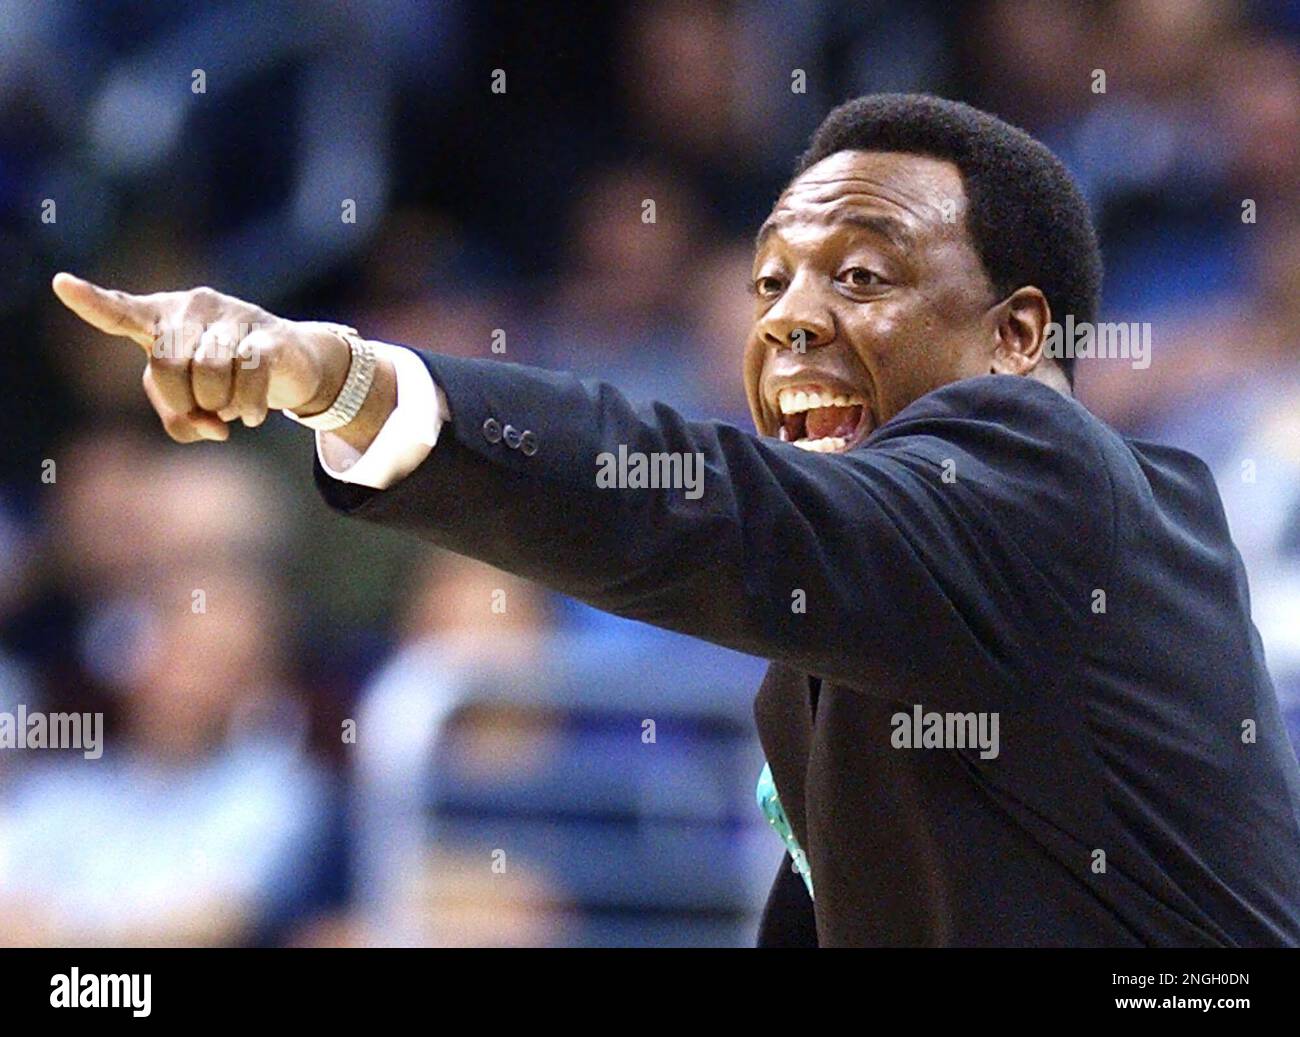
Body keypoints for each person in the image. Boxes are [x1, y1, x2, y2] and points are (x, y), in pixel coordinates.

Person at [53, 94, 1300, 947]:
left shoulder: (1054, 480)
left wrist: (345, 376)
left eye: (861, 276)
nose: (787, 321)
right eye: (771, 280)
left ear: (1018, 336)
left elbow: (700, 500)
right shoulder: (843, 639)